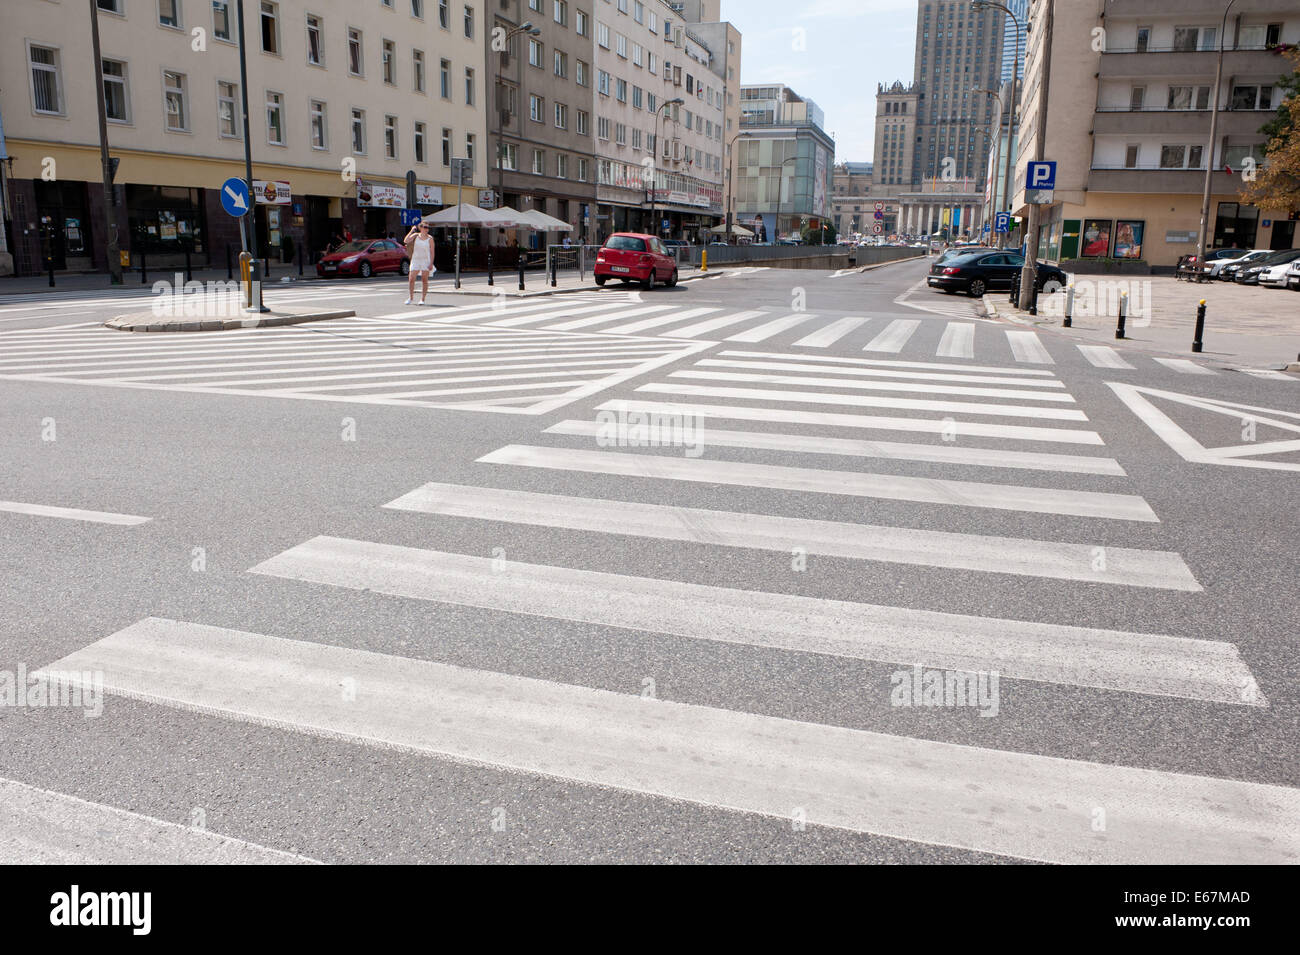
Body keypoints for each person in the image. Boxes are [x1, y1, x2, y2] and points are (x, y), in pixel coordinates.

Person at [403, 221, 435, 305]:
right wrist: (411, 231)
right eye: (424, 227)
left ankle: (422, 299)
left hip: (425, 260)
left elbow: (432, 252)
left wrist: (431, 263)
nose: (426, 229)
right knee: (411, 279)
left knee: (424, 280)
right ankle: (411, 297)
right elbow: (406, 241)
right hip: (415, 260)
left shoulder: (430, 238)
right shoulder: (415, 236)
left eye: (427, 227)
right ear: (420, 227)